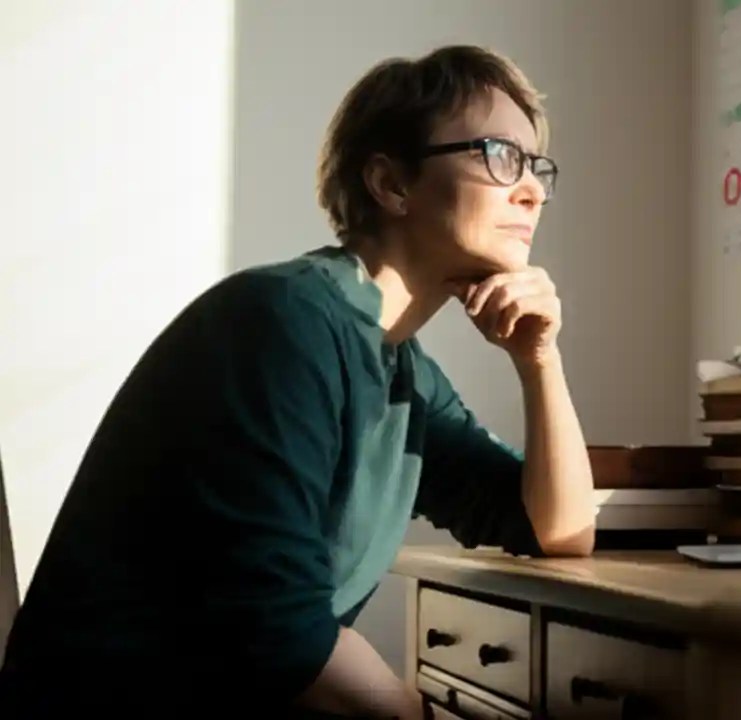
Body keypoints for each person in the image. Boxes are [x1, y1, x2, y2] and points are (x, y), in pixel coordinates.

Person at [0, 45, 596, 718]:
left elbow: (559, 531)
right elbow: (280, 631)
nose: (531, 190)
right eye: (498, 155)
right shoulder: (284, 323)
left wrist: (539, 360)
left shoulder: (398, 367)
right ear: (391, 184)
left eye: (535, 166)